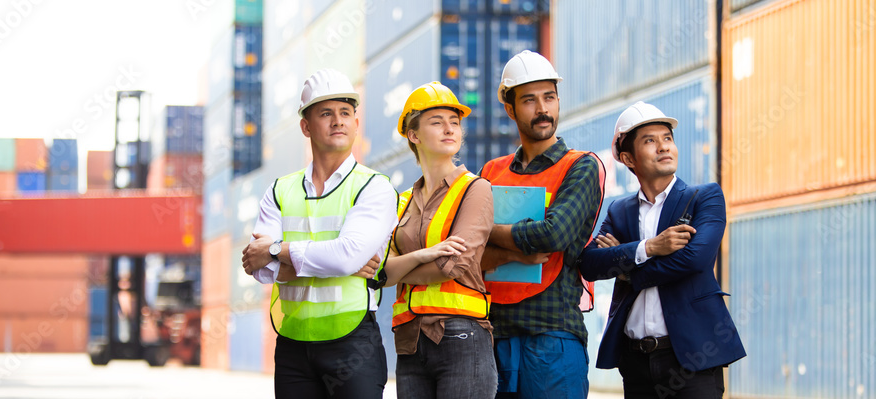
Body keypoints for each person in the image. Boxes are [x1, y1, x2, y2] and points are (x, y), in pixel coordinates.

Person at [240, 68, 397, 399]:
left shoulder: (373, 187)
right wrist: (337, 260)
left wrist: (275, 251)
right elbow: (260, 270)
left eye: (345, 112)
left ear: (356, 123)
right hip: (293, 346)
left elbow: (346, 256)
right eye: (326, 113)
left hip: (352, 344)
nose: (338, 121)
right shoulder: (280, 190)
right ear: (306, 126)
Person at [579, 101, 745, 398]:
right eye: (650, 141)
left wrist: (630, 272)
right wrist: (650, 247)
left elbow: (694, 260)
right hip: (635, 361)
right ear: (628, 158)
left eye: (667, 138)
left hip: (693, 360)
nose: (663, 147)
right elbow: (590, 262)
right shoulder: (620, 211)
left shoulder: (704, 198)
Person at [478, 50, 605, 399]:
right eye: (530, 100)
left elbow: (554, 234)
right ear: (510, 108)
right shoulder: (491, 172)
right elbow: (467, 248)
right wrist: (511, 247)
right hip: (493, 336)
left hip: (553, 339)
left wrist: (489, 232)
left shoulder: (580, 167)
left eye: (549, 98)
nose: (542, 109)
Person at [380, 81, 498, 398]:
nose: (449, 129)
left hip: (461, 335)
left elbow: (452, 266)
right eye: (437, 122)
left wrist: (397, 268)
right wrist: (423, 256)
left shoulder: (475, 189)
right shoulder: (401, 201)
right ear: (413, 135)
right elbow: (379, 274)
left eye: (455, 122)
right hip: (409, 341)